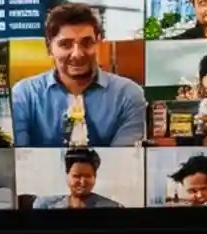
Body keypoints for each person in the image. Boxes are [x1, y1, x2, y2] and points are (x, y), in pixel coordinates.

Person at [11, 3, 146, 147]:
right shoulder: (25, 95)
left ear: (98, 43)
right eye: (65, 44)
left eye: (87, 42)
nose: (77, 54)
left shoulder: (128, 95)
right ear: (49, 47)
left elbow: (123, 160)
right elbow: (19, 159)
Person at [33, 148, 123, 209]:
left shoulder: (113, 207)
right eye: (77, 176)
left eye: (88, 176)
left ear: (95, 177)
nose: (82, 182)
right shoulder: (44, 205)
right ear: (67, 176)